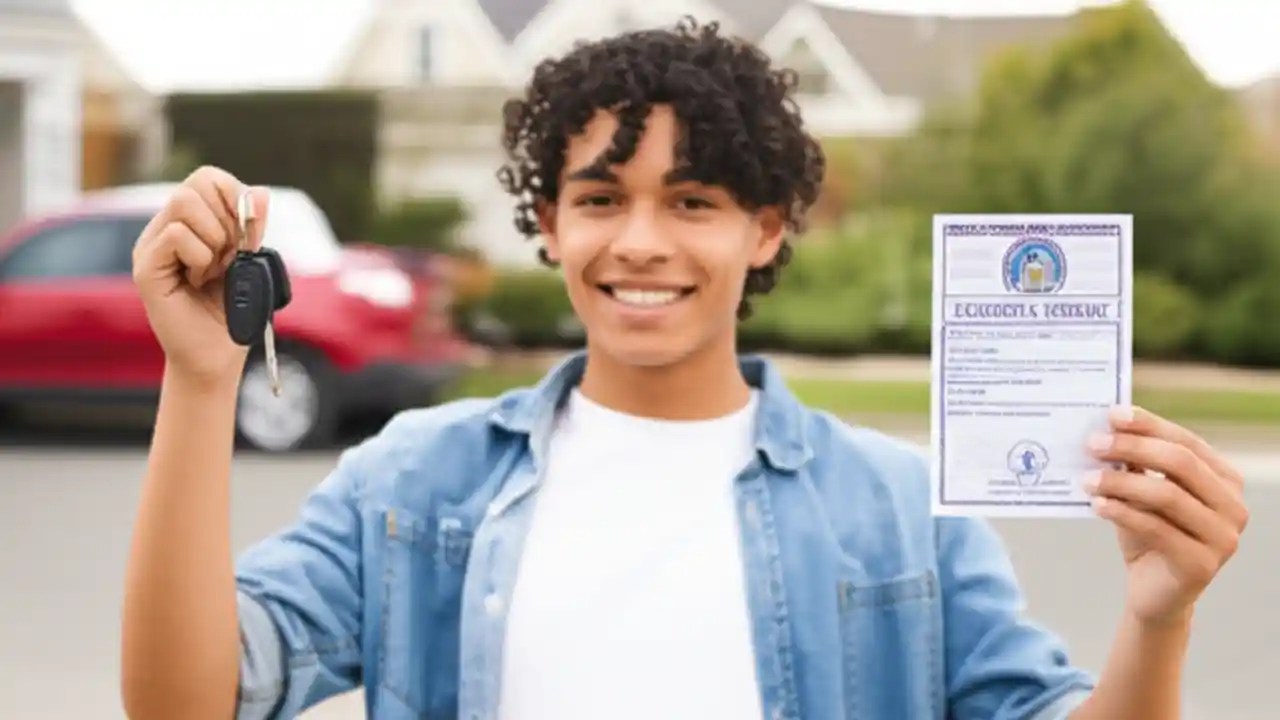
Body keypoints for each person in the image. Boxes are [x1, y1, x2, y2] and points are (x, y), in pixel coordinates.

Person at [120, 18, 1249, 720]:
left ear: (764, 229)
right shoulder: (414, 482)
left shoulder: (895, 508)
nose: (642, 242)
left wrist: (1156, 617)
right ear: (548, 224)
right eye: (600, 200)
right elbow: (185, 703)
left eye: (693, 202)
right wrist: (201, 381)